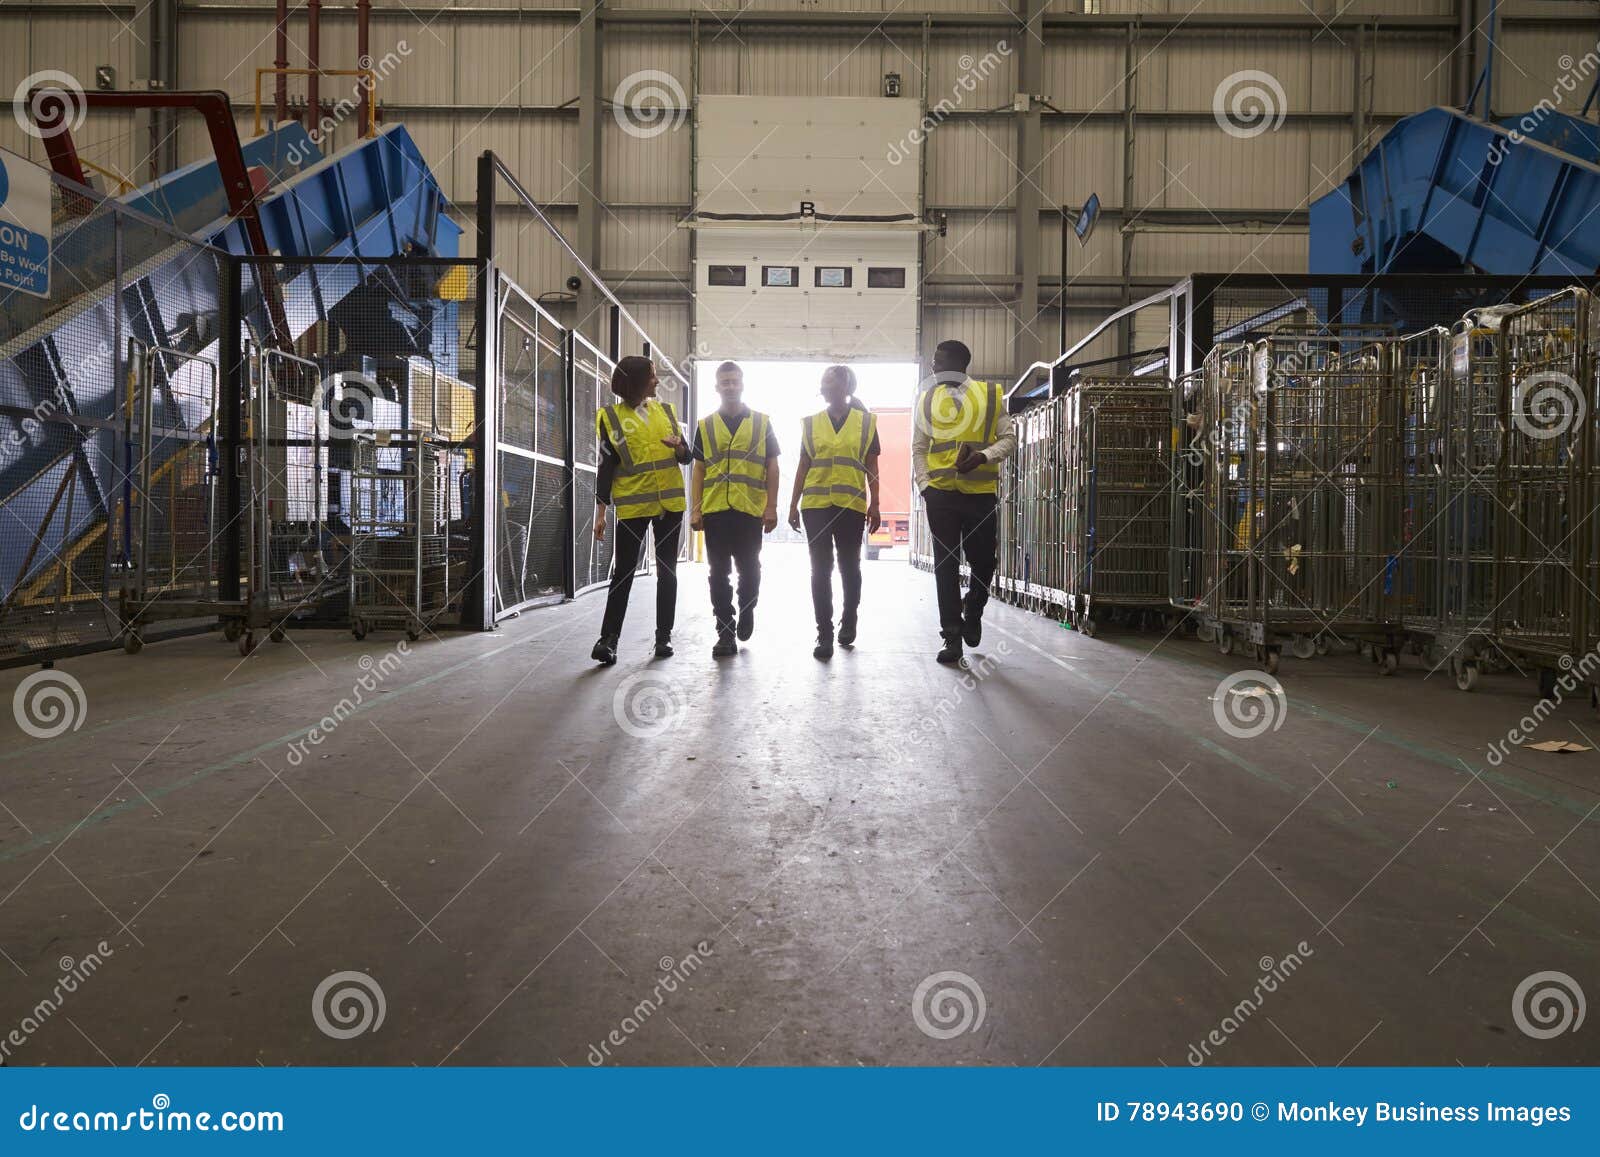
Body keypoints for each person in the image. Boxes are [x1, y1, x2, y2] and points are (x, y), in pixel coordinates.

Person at [912, 339, 1016, 665]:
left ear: (958, 364)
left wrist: (984, 457)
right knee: (946, 564)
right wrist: (925, 485)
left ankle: (974, 607)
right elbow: (918, 447)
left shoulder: (988, 396)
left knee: (984, 561)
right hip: (940, 495)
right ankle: (952, 637)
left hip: (979, 495)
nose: (932, 366)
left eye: (937, 361)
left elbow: (1009, 438)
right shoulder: (927, 399)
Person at [590, 356, 692, 665]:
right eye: (652, 376)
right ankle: (608, 640)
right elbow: (606, 467)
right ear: (635, 381)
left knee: (668, 571)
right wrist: (600, 512)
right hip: (634, 506)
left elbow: (687, 457)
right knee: (623, 573)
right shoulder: (610, 417)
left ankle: (664, 638)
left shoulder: (667, 412)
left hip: (670, 505)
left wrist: (679, 448)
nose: (657, 381)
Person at [787, 366, 881, 660]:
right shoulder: (812, 423)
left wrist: (875, 503)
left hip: (850, 505)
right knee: (820, 569)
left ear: (845, 385)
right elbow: (803, 465)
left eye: (829, 380)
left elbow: (872, 468)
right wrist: (792, 505)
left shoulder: (866, 423)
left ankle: (849, 618)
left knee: (849, 567)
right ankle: (824, 633)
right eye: (823, 381)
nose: (823, 385)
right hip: (815, 505)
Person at [691, 361, 779, 658]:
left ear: (742, 385)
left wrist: (772, 507)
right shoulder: (705, 426)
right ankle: (725, 630)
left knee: (750, 569)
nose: (730, 386)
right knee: (718, 573)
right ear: (717, 387)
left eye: (734, 381)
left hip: (749, 509)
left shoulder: (762, 422)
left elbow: (772, 465)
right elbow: (699, 469)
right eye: (724, 382)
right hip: (716, 510)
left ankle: (747, 607)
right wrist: (695, 510)